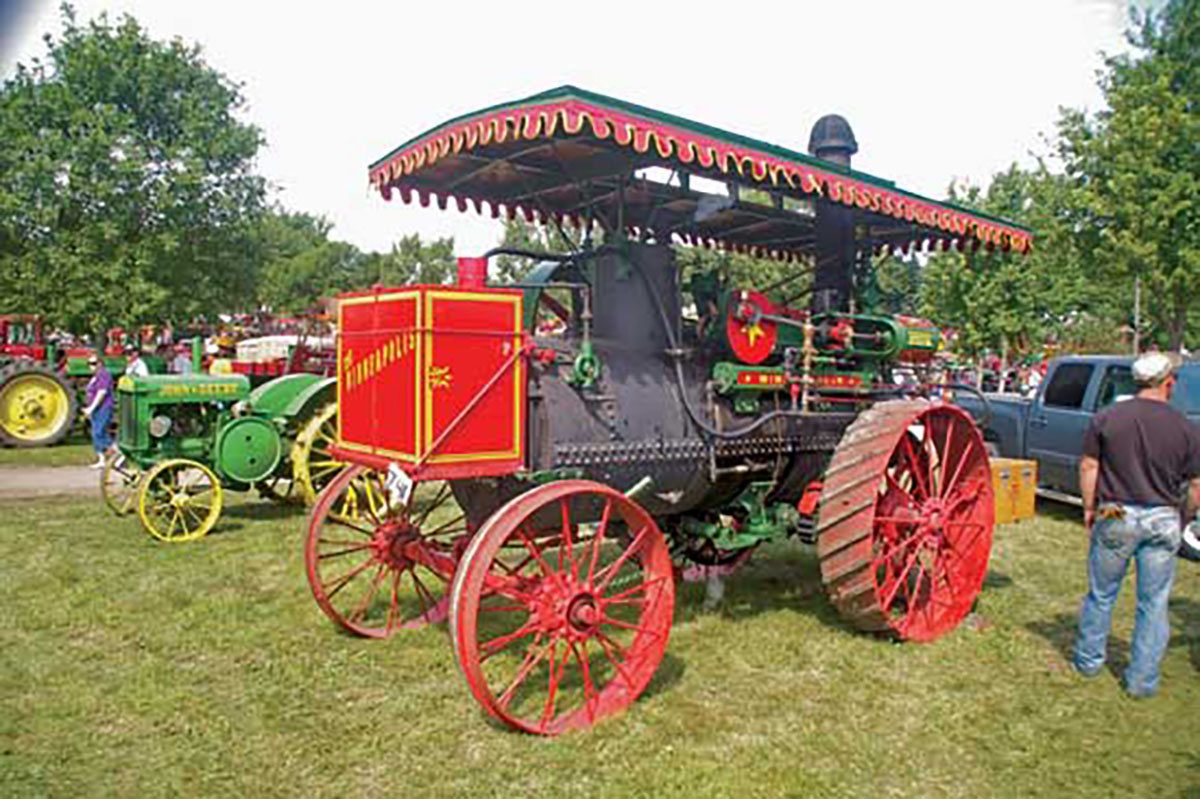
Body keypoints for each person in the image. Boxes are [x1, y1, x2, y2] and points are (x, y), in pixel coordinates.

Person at [1073, 351, 1200, 698]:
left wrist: (1089, 508)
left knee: (1101, 593)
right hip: (1162, 515)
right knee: (1154, 602)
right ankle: (1142, 681)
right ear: (1168, 382)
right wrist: (1183, 517)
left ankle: (1088, 661)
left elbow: (1088, 466)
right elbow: (1196, 486)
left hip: (1115, 512)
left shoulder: (1108, 416)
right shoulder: (1185, 427)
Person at [82, 355, 116, 469]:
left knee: (98, 432)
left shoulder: (104, 375)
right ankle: (102, 459)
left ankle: (117, 451)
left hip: (103, 408)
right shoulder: (95, 377)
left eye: (94, 363)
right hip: (96, 409)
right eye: (89, 364)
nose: (91, 366)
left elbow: (102, 393)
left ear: (100, 364)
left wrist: (91, 408)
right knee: (96, 433)